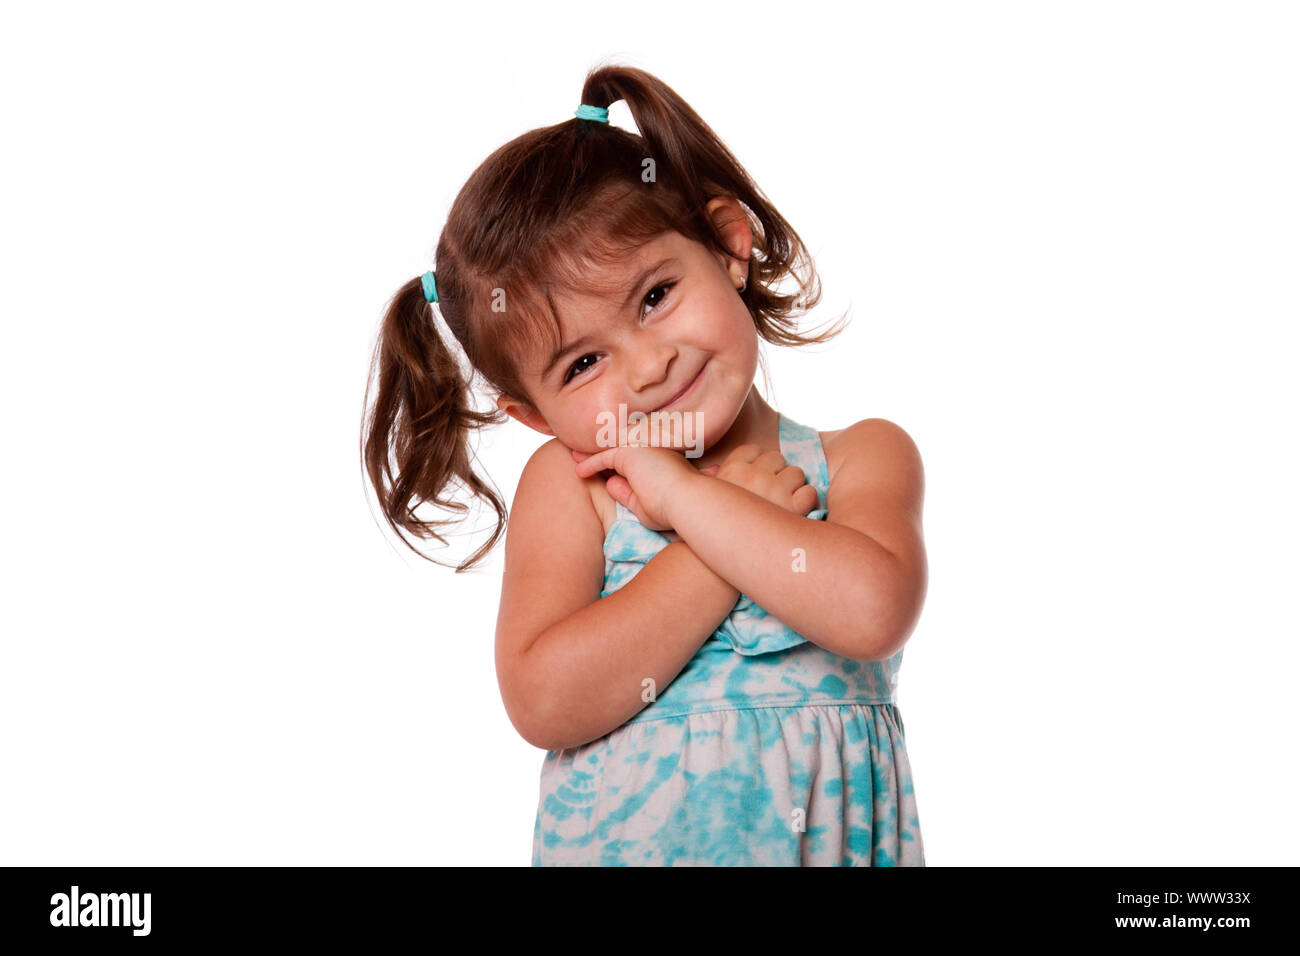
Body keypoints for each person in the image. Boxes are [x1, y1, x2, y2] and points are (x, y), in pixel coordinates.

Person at [361, 63, 927, 865]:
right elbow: (545, 699)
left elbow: (870, 612)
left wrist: (687, 498)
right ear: (534, 417)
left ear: (729, 245)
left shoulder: (860, 455)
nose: (648, 366)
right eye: (583, 364)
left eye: (655, 296)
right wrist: (707, 540)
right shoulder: (577, 487)